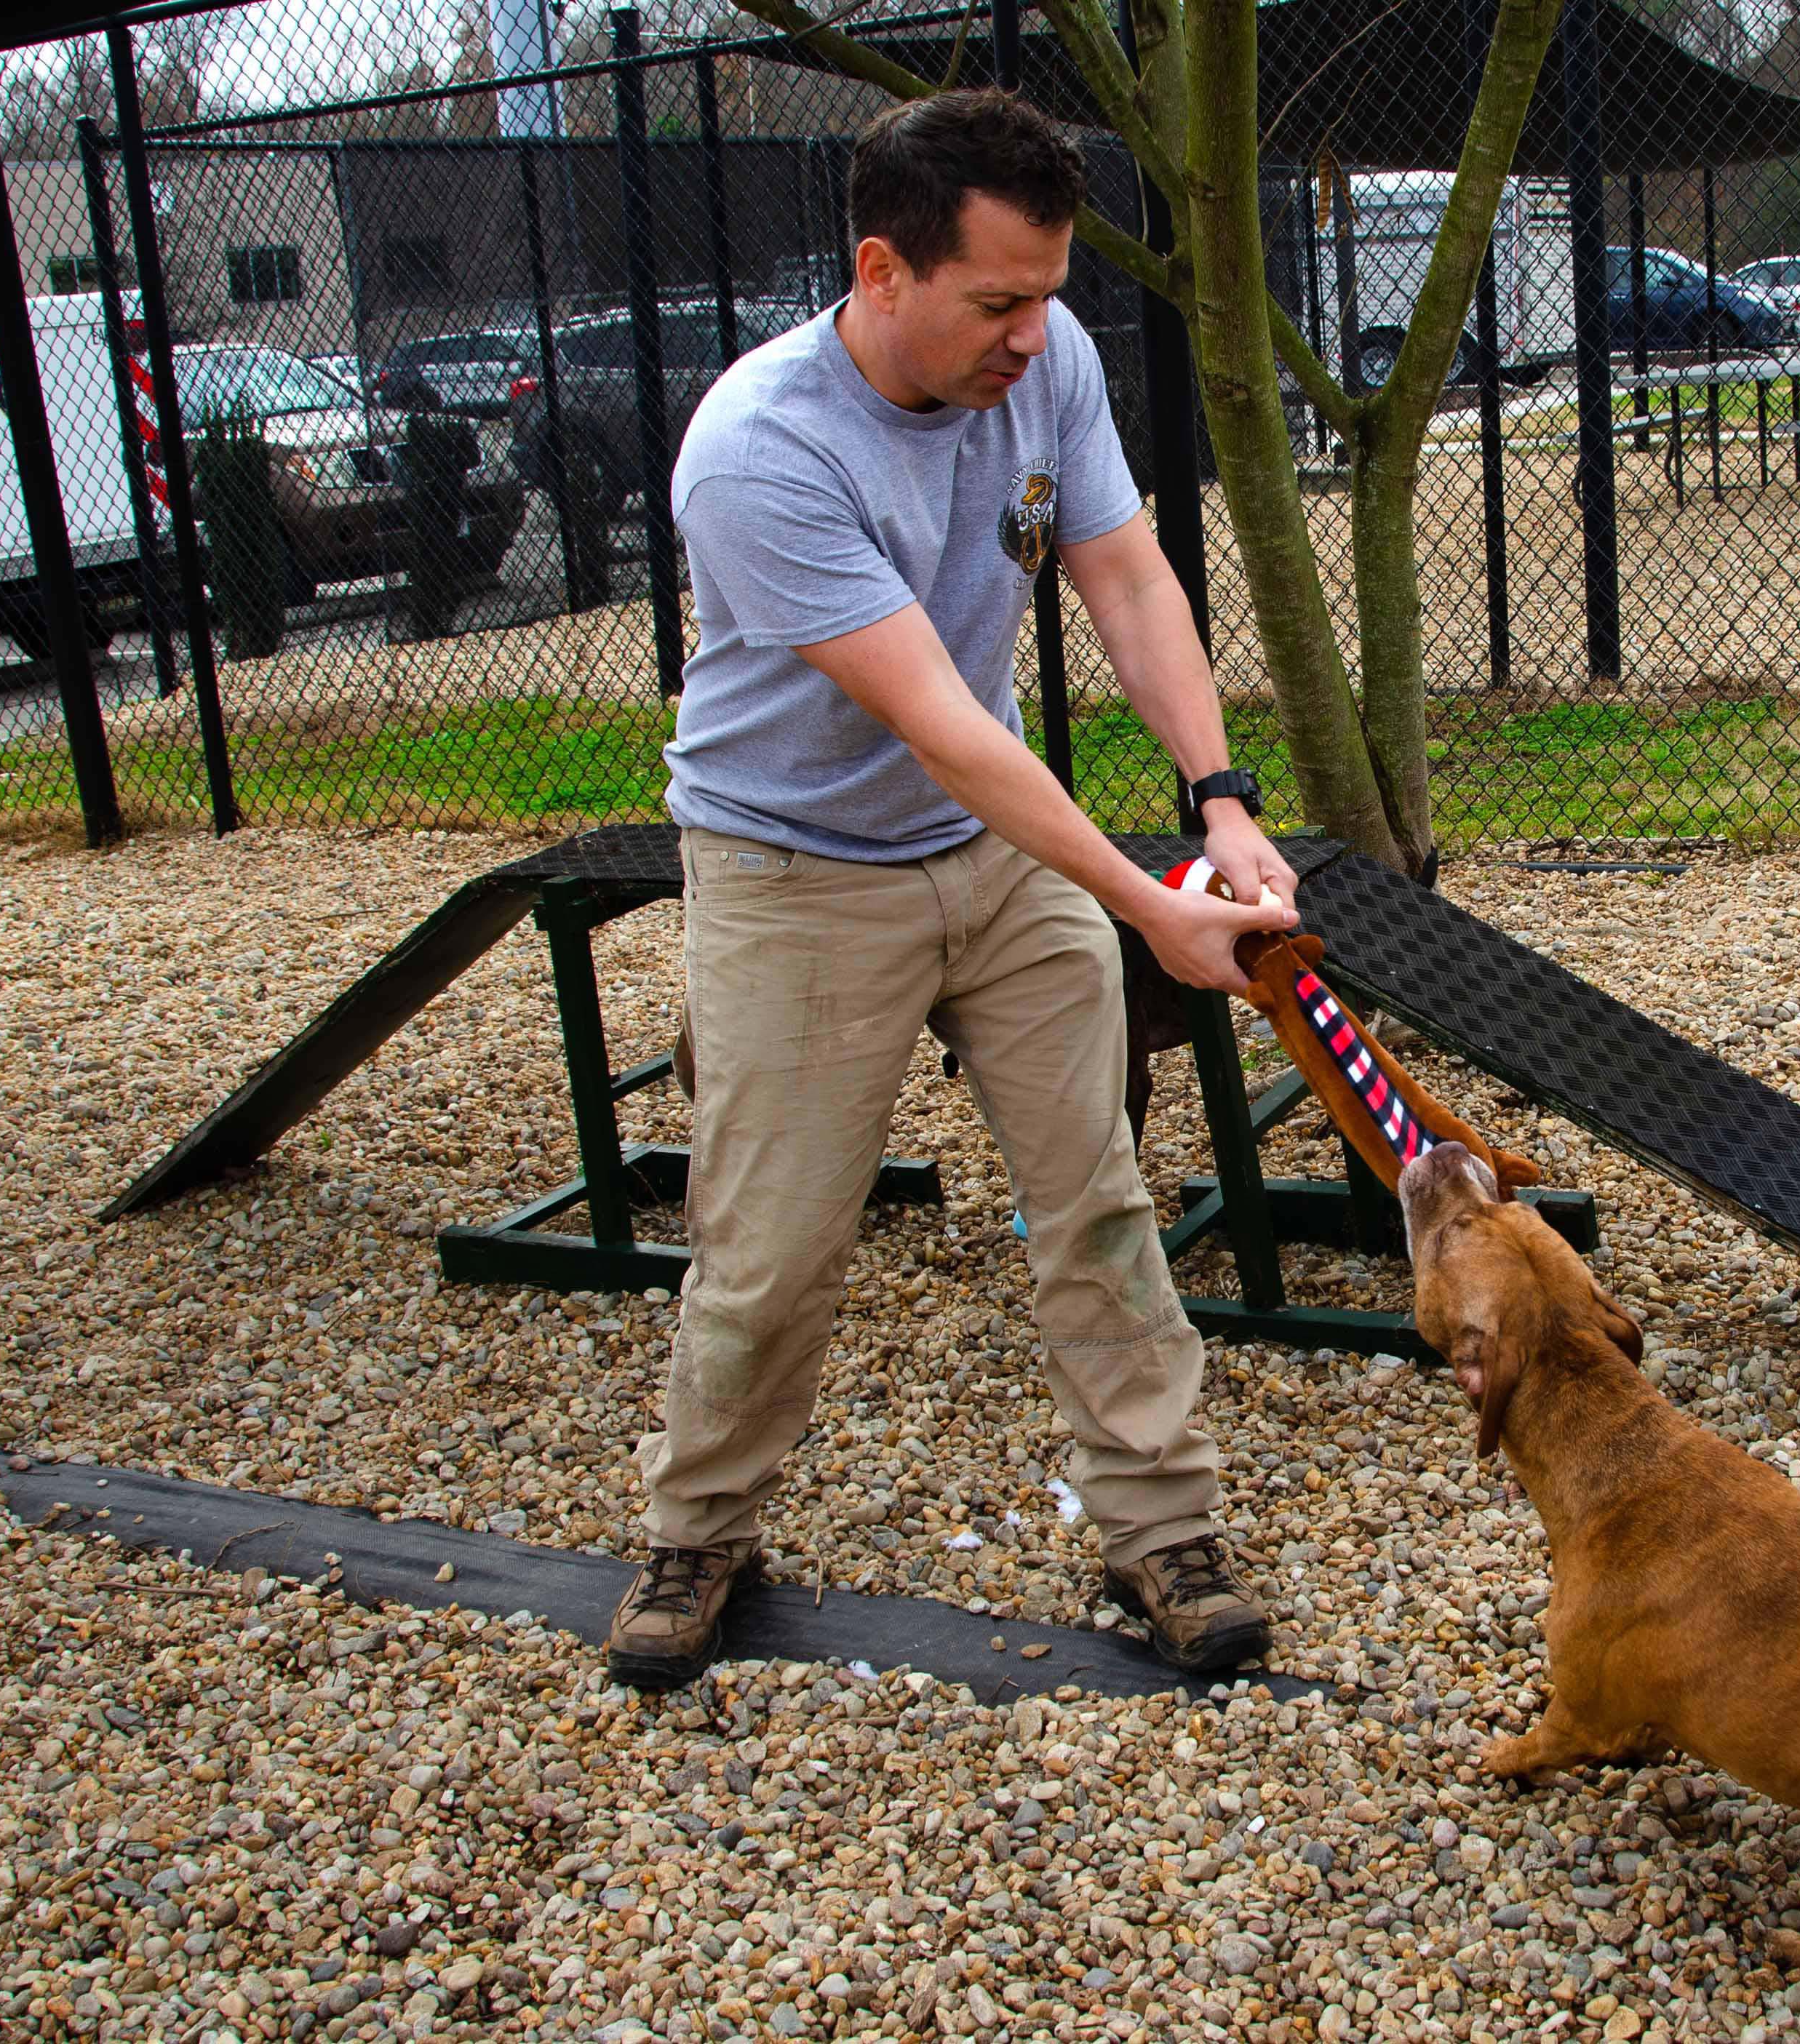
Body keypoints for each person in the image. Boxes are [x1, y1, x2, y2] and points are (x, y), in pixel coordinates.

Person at [603, 88, 1299, 1689]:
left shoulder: (1042, 362)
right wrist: (1146, 899)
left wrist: (1220, 799)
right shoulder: (761, 448)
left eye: (1049, 295)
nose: (1031, 336)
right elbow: (930, 721)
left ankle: (1161, 1530)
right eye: (997, 300)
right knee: (772, 1242)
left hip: (988, 855)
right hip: (794, 869)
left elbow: (1121, 573)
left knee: (1099, 1198)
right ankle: (700, 1527)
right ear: (879, 269)